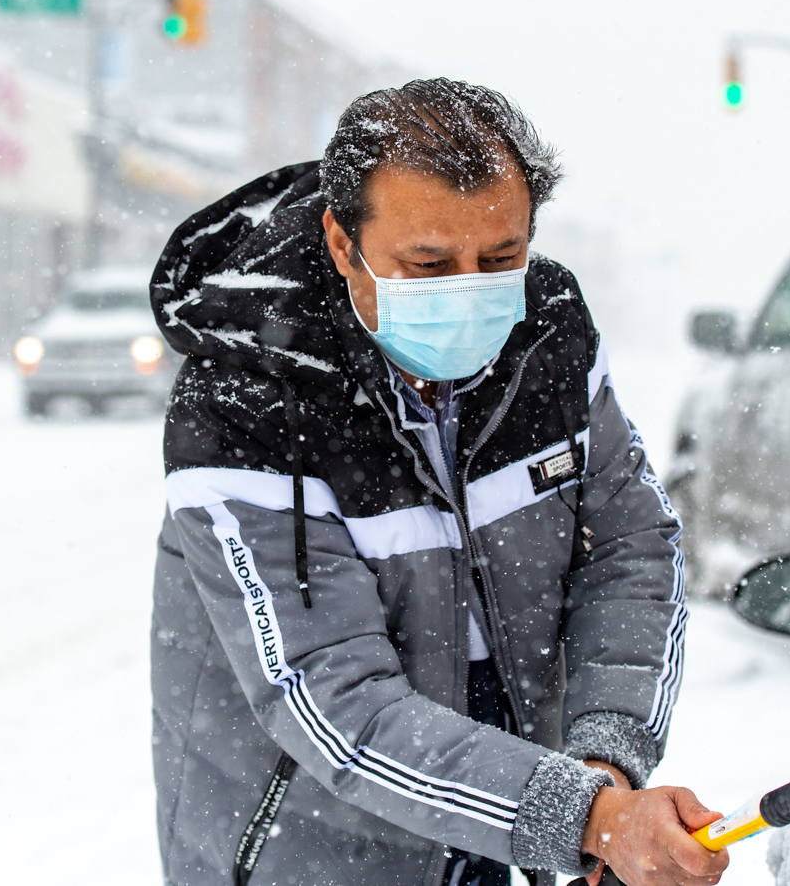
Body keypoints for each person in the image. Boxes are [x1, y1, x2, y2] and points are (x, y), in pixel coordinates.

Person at [149, 78, 728, 886]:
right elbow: (332, 701)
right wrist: (587, 817)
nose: (469, 292)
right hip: (315, 854)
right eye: (427, 265)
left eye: (501, 258)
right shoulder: (249, 398)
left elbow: (628, 545)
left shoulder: (546, 334)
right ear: (344, 244)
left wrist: (604, 764)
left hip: (512, 818)